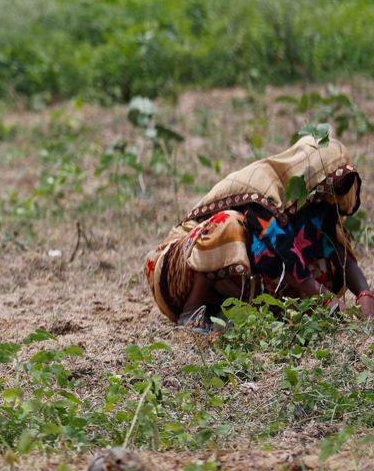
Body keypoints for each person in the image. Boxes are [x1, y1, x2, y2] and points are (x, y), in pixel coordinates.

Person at [144, 136, 374, 332]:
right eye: (331, 184)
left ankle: (228, 314)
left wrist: (364, 293)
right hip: (174, 273)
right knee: (231, 226)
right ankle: (191, 312)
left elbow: (339, 250)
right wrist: (324, 295)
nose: (330, 194)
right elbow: (278, 250)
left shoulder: (316, 207)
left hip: (228, 290)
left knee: (323, 262)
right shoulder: (264, 185)